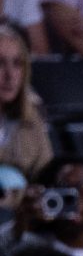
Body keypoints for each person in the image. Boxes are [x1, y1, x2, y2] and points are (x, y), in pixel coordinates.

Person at [0, 23, 54, 185]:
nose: (10, 75)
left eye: (17, 64)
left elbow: (46, 175)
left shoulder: (32, 117)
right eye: (0, 63)